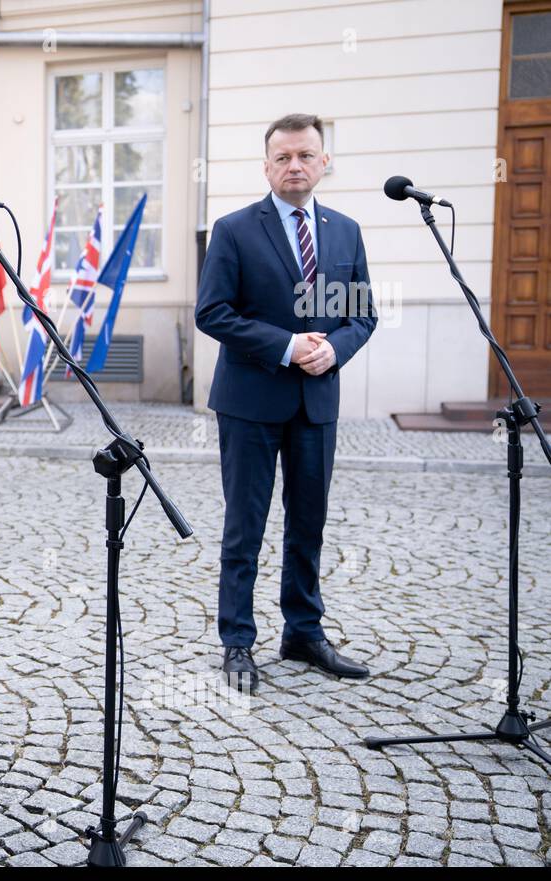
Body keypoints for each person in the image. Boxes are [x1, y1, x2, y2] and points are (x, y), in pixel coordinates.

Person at [195, 113, 378, 694]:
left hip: (316, 401)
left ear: (325, 162)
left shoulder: (346, 230)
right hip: (250, 401)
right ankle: (237, 641)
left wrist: (336, 351)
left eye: (305, 155)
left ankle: (303, 631)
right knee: (244, 526)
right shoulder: (233, 229)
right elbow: (213, 313)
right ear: (267, 166)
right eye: (283, 157)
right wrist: (287, 346)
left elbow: (362, 314)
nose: (294, 166)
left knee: (309, 523)